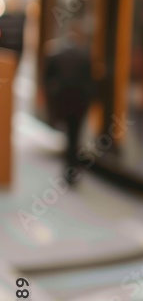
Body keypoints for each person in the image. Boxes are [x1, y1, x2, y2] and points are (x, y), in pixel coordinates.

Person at [43, 22, 93, 184]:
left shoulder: (57, 53)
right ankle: (72, 170)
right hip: (79, 104)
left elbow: (48, 79)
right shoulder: (85, 55)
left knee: (69, 137)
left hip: (64, 102)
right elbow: (91, 82)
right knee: (75, 137)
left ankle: (69, 170)